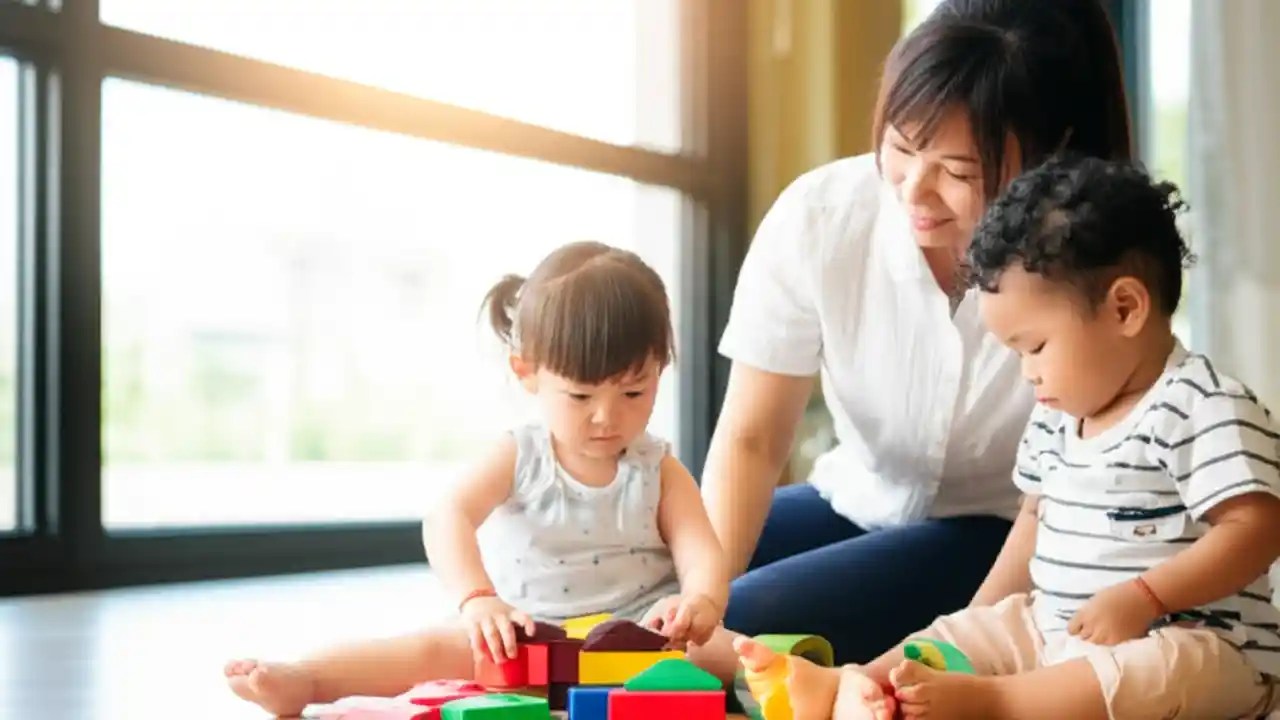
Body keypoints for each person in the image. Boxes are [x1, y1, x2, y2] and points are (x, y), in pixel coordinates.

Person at [735, 156, 1280, 720]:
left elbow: (1257, 528)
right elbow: (1031, 523)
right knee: (973, 627)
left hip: (1198, 644)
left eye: (1036, 348)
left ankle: (993, 704)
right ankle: (858, 688)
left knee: (1168, 667)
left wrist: (1148, 597)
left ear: (1125, 307)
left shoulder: (1200, 405)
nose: (1027, 372)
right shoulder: (1057, 416)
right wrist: (972, 629)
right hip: (1056, 628)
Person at [704, 0, 1137, 663]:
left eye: (960, 173)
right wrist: (700, 597)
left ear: (1053, 151)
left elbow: (1055, 499)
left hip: (1000, 532)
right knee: (655, 572)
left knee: (754, 619)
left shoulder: (1096, 273)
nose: (915, 191)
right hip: (855, 496)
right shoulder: (823, 216)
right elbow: (753, 438)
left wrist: (964, 647)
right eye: (902, 148)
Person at [224, 241, 729, 717]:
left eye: (634, 393)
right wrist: (478, 598)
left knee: (724, 651)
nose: (606, 417)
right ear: (526, 372)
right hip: (522, 633)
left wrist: (699, 602)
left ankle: (797, 679)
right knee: (425, 650)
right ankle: (308, 678)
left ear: (660, 370)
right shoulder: (521, 454)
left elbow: (700, 547)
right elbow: (450, 516)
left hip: (638, 635)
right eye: (580, 397)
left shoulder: (658, 467)